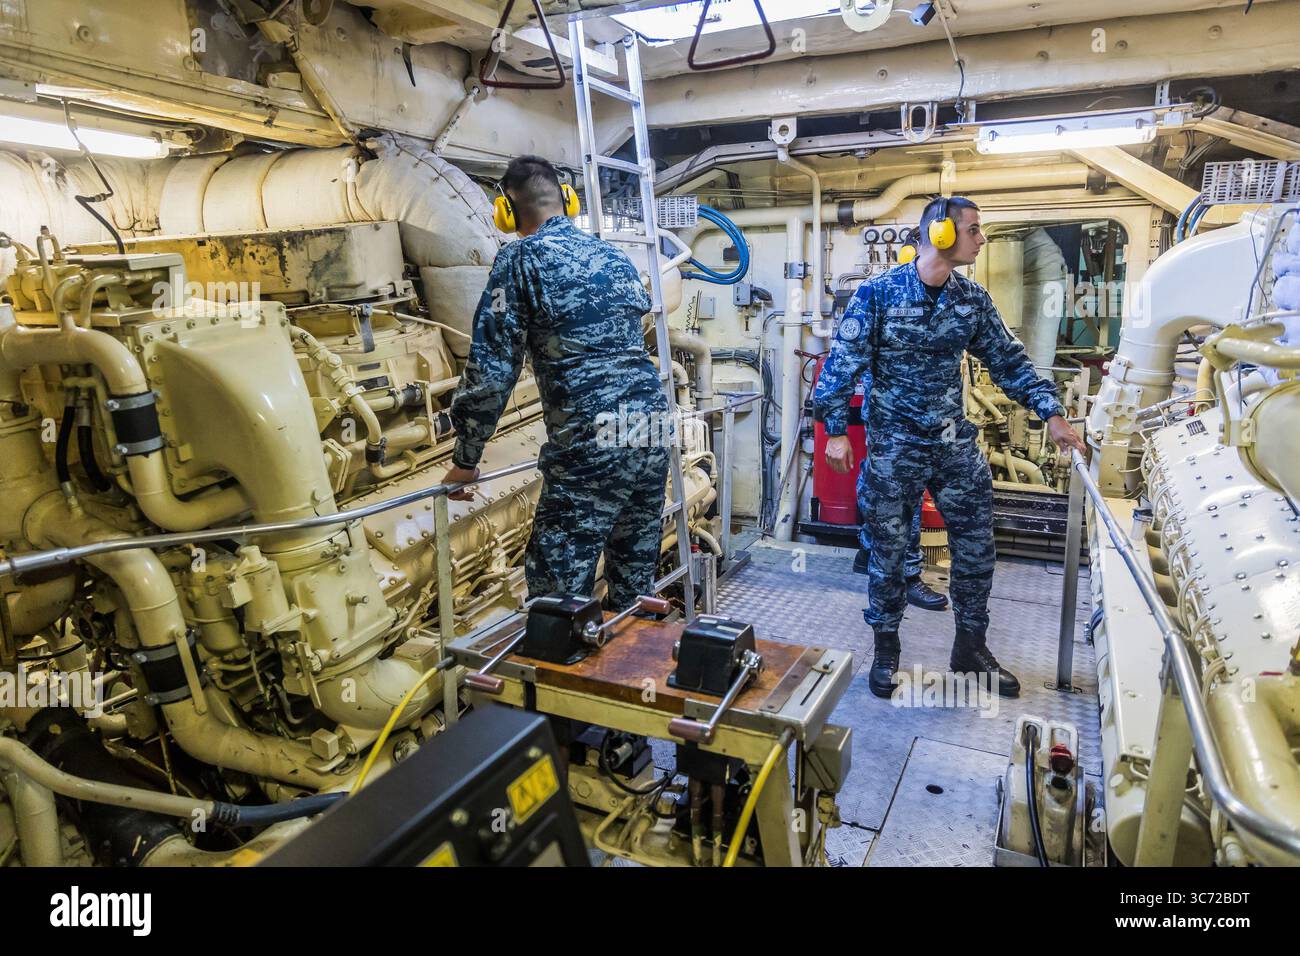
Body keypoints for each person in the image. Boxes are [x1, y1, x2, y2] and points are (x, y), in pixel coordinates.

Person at [814, 196, 1087, 699]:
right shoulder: (878, 294)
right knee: (890, 554)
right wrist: (834, 430)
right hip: (895, 445)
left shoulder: (972, 299)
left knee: (978, 545)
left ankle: (969, 647)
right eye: (974, 230)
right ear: (940, 234)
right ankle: (887, 647)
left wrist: (1051, 412)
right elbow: (838, 368)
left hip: (951, 442)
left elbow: (1009, 361)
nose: (982, 239)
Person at [443, 155, 669, 610]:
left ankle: (562, 670)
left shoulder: (519, 261)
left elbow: (492, 368)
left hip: (592, 439)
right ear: (567, 199)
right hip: (653, 425)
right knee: (634, 578)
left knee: (558, 589)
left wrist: (466, 458)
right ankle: (633, 664)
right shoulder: (612, 255)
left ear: (506, 210)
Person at [851, 369, 948, 614]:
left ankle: (868, 549)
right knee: (903, 487)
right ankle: (907, 575)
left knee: (878, 477)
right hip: (894, 404)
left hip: (910, 401)